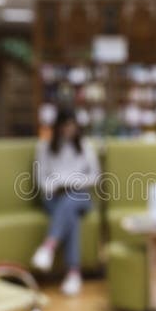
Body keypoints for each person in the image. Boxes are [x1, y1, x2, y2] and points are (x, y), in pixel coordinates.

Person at [31, 108, 100, 296]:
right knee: (71, 216)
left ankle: (48, 246)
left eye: (72, 125)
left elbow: (95, 177)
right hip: (54, 197)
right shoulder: (44, 147)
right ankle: (73, 273)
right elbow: (41, 180)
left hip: (81, 196)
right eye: (65, 125)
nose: (69, 129)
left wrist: (72, 182)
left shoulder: (85, 146)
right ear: (58, 126)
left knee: (72, 198)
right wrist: (57, 184)